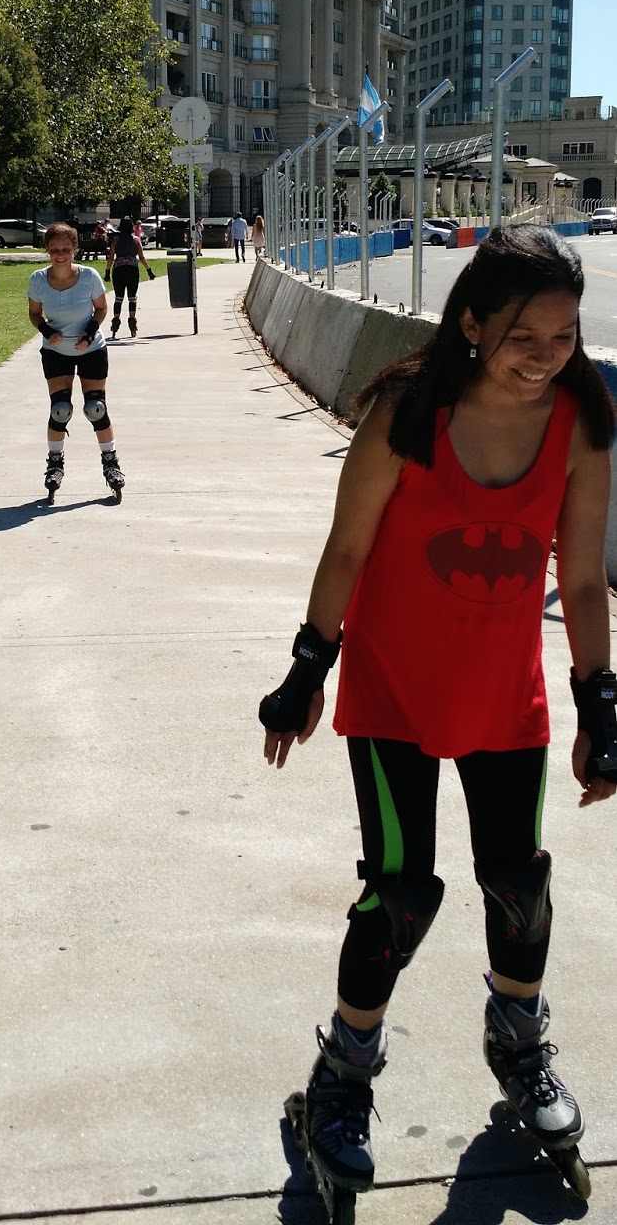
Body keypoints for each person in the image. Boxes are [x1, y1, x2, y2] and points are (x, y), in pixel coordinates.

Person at [259, 225, 616, 1202]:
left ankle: (520, 1048)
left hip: (504, 696)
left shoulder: (581, 422)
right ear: (471, 322)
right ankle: (342, 1075)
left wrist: (600, 700)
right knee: (400, 894)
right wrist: (307, 668)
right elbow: (346, 549)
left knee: (519, 883)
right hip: (393, 694)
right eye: (523, 335)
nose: (546, 355)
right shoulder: (408, 413)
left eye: (563, 336)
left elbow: (585, 579)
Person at [27, 221, 125, 500]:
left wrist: (89, 332)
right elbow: (34, 313)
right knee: (60, 409)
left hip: (91, 349)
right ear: (47, 251)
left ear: (75, 249)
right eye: (55, 249)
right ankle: (54, 464)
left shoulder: (89, 276)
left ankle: (111, 463)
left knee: (96, 408)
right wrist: (47, 331)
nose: (61, 255)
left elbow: (101, 308)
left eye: (66, 249)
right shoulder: (37, 280)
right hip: (56, 351)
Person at [104, 213, 155, 339]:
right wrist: (149, 270)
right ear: (131, 226)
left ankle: (115, 322)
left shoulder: (116, 240)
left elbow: (111, 257)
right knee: (132, 298)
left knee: (118, 298)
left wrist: (107, 272)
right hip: (132, 270)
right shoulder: (136, 240)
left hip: (118, 270)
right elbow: (142, 257)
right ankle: (132, 323)